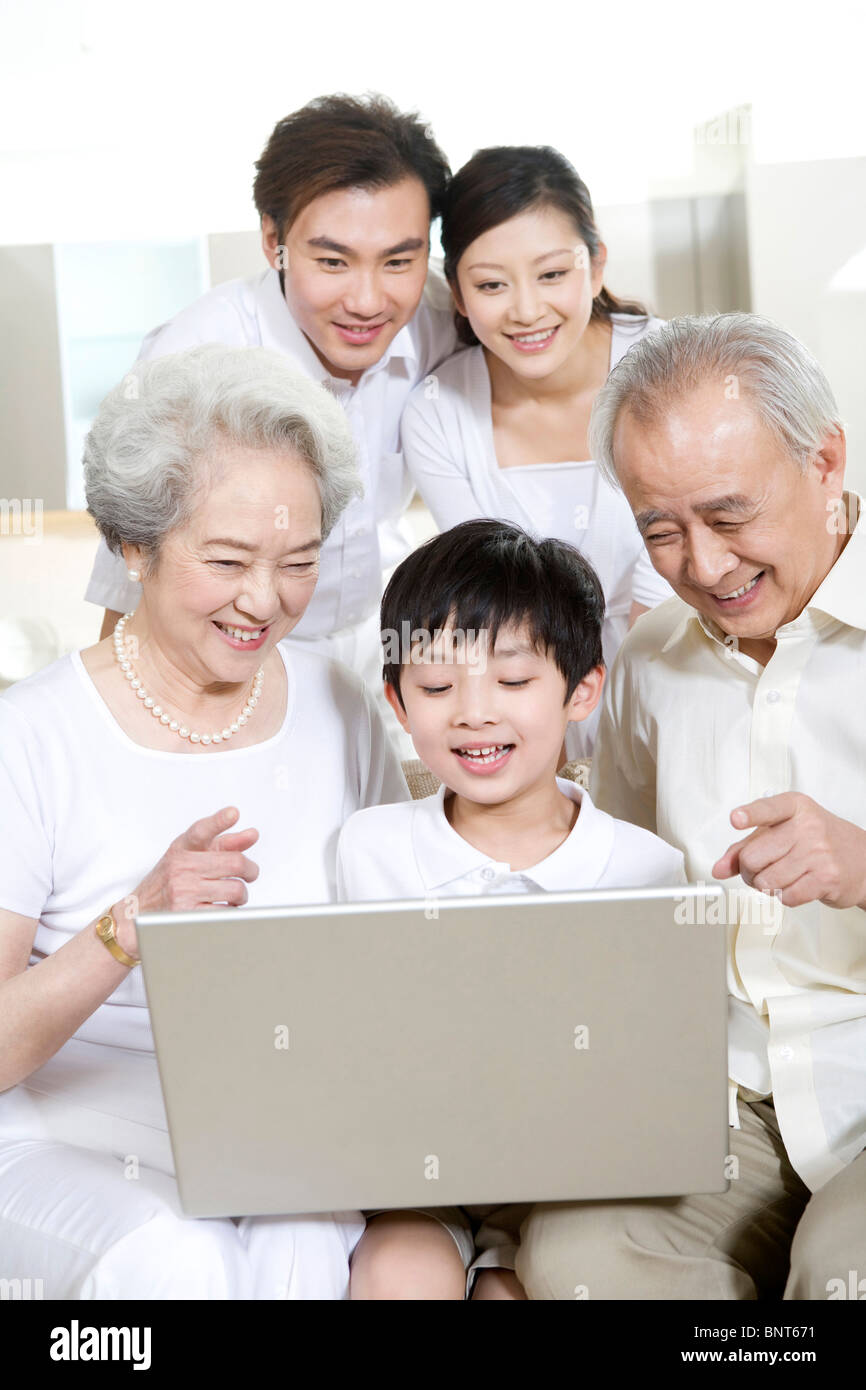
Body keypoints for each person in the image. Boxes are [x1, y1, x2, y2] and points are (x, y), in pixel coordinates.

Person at [0, 346, 408, 1299]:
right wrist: (128, 926)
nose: (264, 601)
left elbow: (400, 955)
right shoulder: (30, 736)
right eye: (226, 562)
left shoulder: (340, 703)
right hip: (62, 1138)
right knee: (175, 1259)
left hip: (269, 1132)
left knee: (305, 1243)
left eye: (297, 562)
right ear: (133, 546)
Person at [516, 313, 866, 1300]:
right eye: (658, 530)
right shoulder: (650, 661)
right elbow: (626, 906)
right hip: (717, 1096)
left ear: (823, 460)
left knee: (844, 1273)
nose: (702, 566)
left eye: (728, 515)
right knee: (575, 1266)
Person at [336, 519, 686, 1299]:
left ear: (582, 690)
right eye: (435, 687)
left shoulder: (646, 868)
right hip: (418, 1176)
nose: (473, 713)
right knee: (396, 1273)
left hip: (573, 1186)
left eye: (514, 682)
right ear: (397, 700)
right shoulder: (368, 848)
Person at [84, 93, 456, 727]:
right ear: (273, 241)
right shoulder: (193, 356)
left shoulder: (441, 324)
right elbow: (130, 581)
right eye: (332, 261)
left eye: (399, 260)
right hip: (231, 656)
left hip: (377, 647)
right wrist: (114, 727)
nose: (368, 300)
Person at [400, 146, 672, 756]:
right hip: (532, 703)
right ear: (459, 296)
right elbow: (498, 594)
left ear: (596, 266)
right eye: (492, 284)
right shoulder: (439, 413)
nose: (526, 310)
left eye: (552, 274)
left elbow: (672, 591)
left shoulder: (667, 369)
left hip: (680, 669)